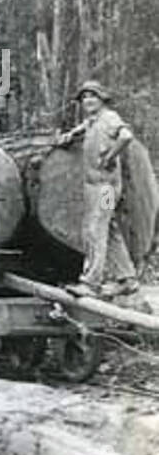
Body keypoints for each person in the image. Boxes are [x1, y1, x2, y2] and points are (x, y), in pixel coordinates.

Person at [56, 81, 139, 298]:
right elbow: (85, 126)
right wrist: (70, 135)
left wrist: (110, 156)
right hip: (97, 187)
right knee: (108, 229)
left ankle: (91, 282)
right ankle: (127, 279)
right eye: (84, 98)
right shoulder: (94, 121)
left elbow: (126, 136)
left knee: (95, 230)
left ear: (102, 99)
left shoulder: (109, 117)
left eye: (93, 97)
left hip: (105, 189)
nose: (88, 101)